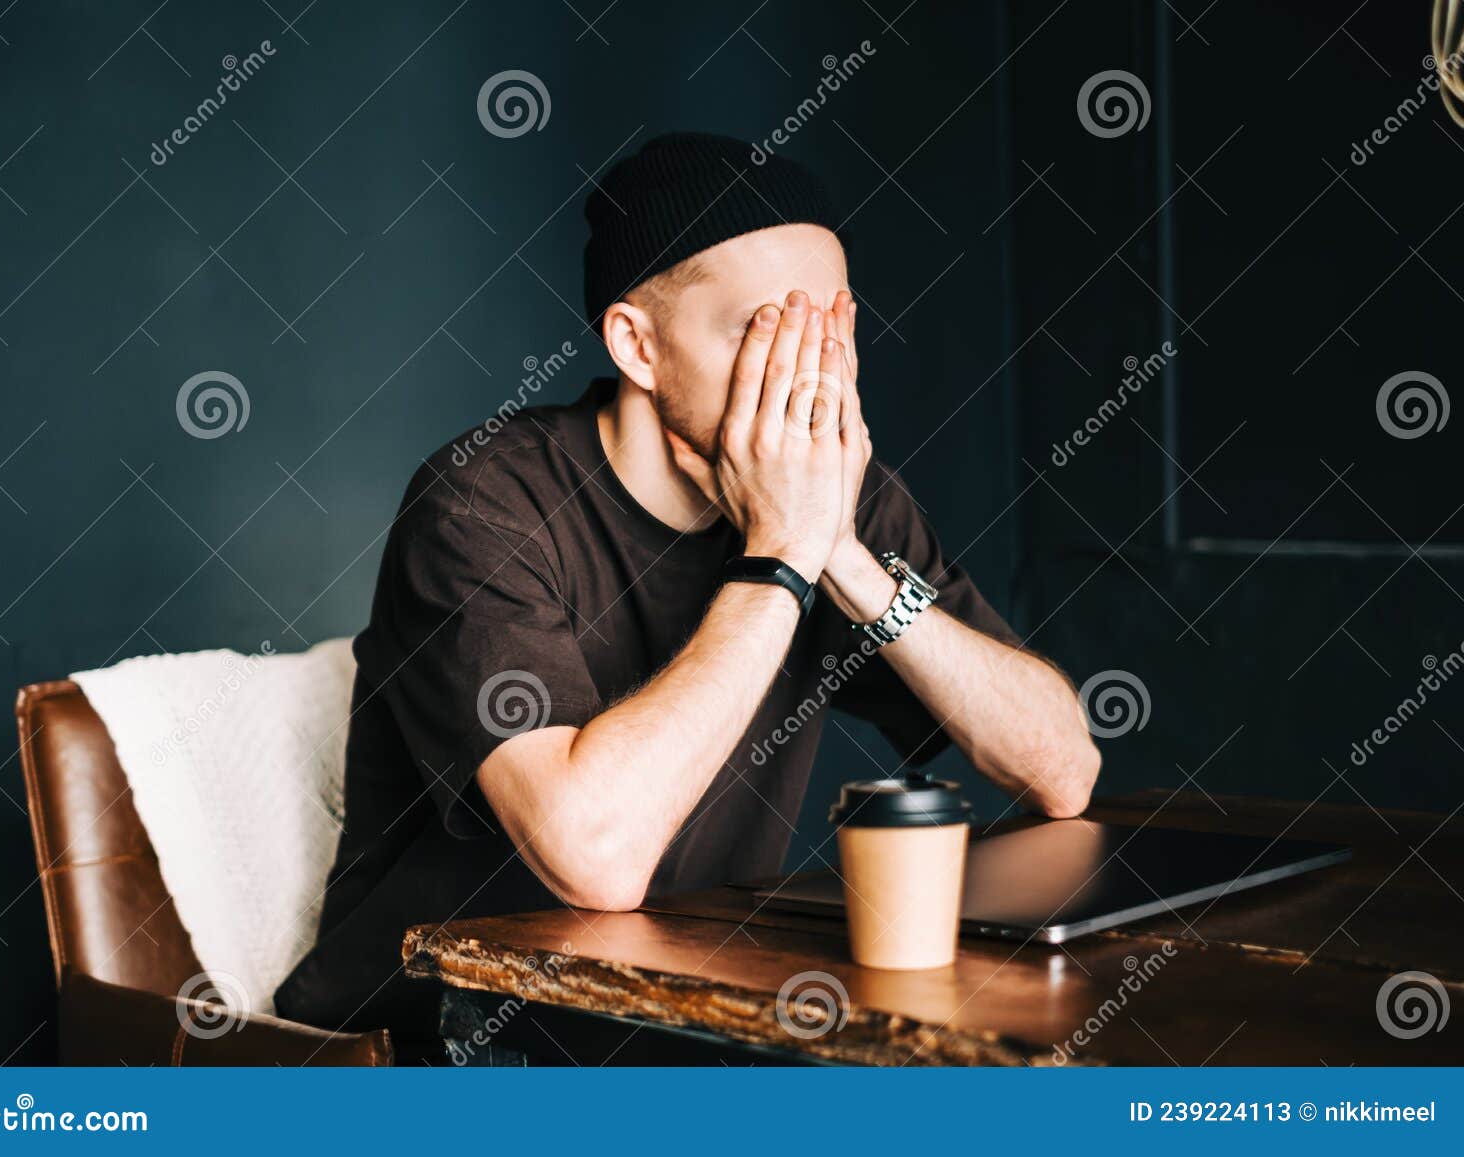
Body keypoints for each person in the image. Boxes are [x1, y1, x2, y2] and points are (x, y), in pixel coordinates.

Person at [274, 132, 1099, 1045]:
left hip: (671, 1024)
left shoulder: (833, 500)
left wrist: (846, 560)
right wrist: (781, 554)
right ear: (636, 344)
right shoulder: (483, 499)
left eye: (832, 328)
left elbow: (1062, 767)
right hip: (426, 1043)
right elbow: (596, 858)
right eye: (765, 330)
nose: (811, 373)